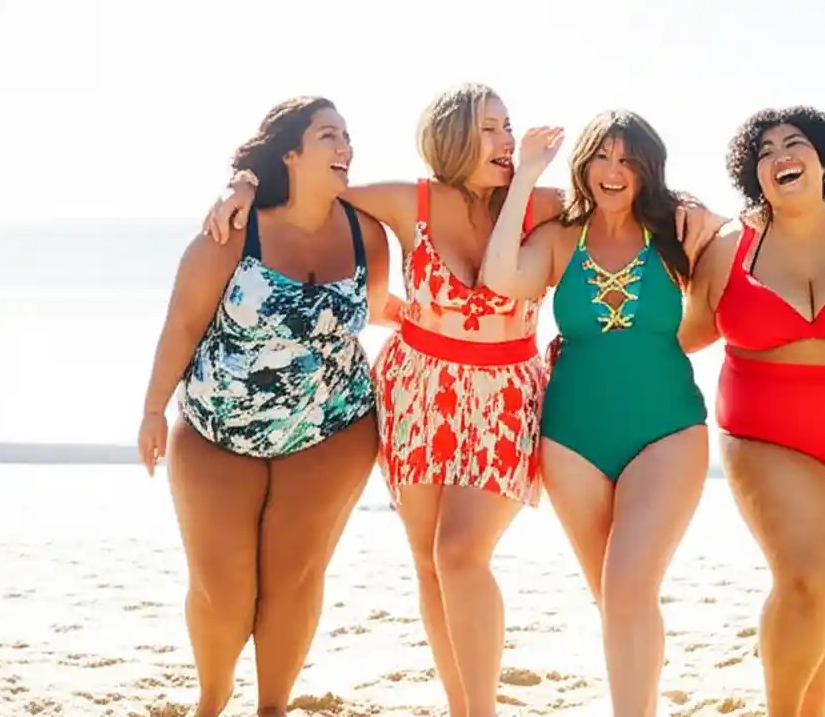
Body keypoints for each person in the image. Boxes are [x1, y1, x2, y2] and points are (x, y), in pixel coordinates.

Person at [200, 83, 564, 717]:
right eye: (490, 129)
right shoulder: (409, 201)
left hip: (505, 395)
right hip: (416, 392)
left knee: (461, 554)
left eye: (509, 126)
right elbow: (312, 183)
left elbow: (631, 196)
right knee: (429, 564)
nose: (507, 140)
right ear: (451, 138)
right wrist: (242, 186)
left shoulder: (545, 204)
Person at [137, 96, 392, 717]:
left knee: (295, 576)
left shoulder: (367, 231)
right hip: (216, 427)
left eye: (347, 136)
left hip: (332, 425)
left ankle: (273, 708)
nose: (345, 148)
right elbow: (183, 324)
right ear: (291, 154)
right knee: (224, 590)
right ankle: (213, 698)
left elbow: (374, 311)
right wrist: (150, 411)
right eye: (328, 136)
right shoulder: (233, 228)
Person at [479, 111, 723, 715]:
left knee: (628, 585)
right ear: (583, 163)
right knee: (615, 599)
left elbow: (722, 291)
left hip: (666, 430)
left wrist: (709, 221)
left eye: (629, 160)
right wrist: (525, 177)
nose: (614, 172)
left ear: (647, 171)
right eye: (603, 157)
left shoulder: (676, 232)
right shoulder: (563, 237)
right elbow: (501, 278)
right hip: (570, 439)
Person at [676, 106, 825, 716]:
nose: (780, 155)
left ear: (823, 160)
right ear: (753, 175)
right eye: (764, 151)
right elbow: (682, 334)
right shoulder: (729, 248)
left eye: (795, 143)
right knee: (808, 581)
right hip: (765, 436)